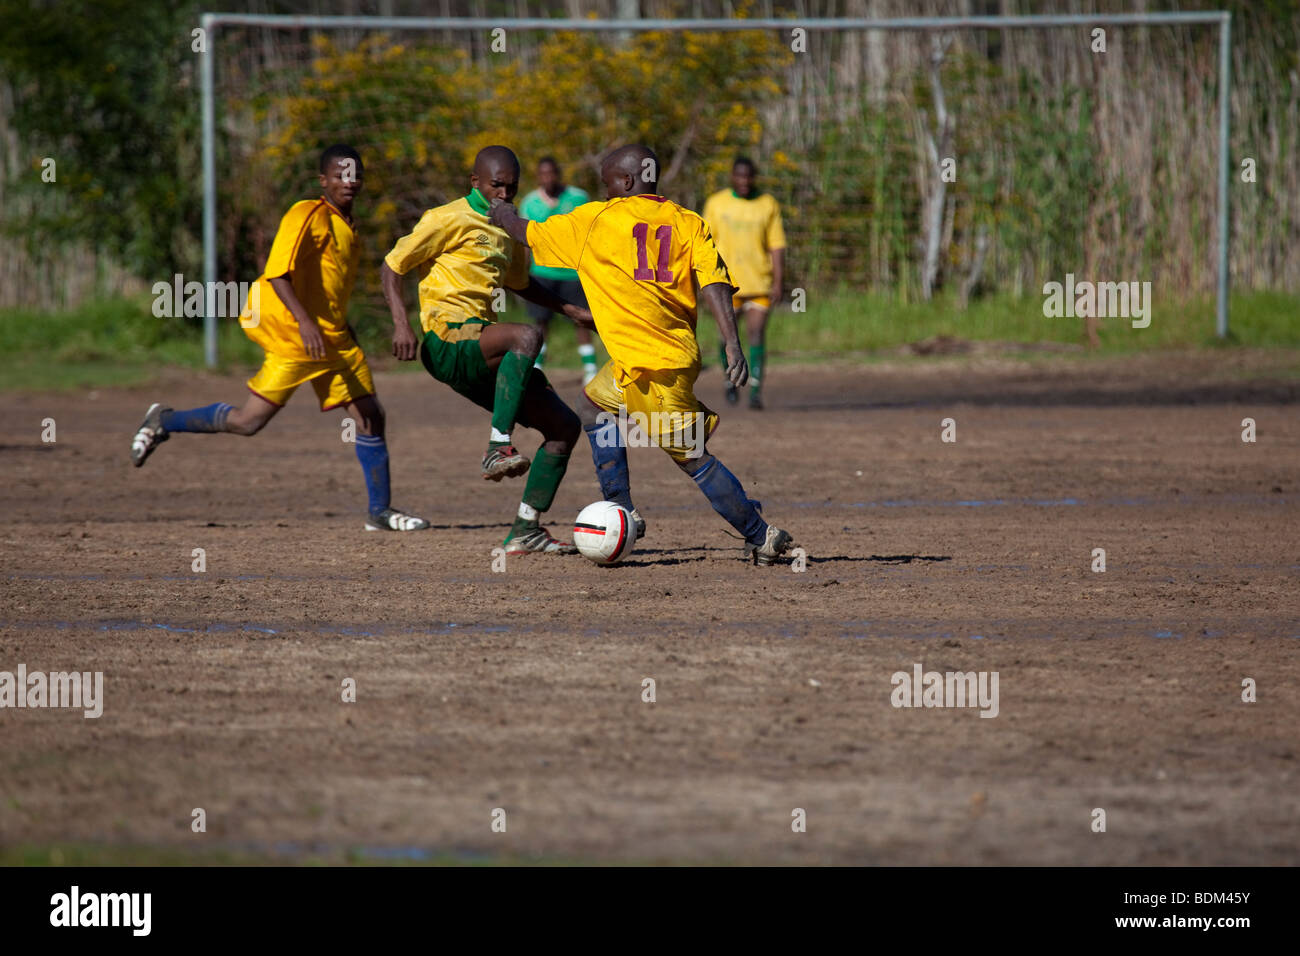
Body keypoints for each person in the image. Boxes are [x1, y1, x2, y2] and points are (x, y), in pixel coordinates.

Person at [490, 144, 796, 565]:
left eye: (610, 183)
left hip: (652, 370)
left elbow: (527, 232)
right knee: (592, 405)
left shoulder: (597, 219)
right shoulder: (689, 222)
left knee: (692, 458)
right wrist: (731, 341)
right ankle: (624, 509)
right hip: (670, 357)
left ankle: (760, 535)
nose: (607, 191)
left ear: (628, 181)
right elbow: (715, 284)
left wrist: (502, 213)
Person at [129, 144, 428, 532]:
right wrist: (305, 323)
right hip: (297, 338)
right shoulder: (306, 213)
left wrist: (343, 326)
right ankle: (164, 421)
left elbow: (329, 288)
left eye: (354, 174)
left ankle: (379, 512)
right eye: (339, 174)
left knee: (371, 416)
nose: (348, 181)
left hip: (335, 339)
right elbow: (277, 274)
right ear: (323, 181)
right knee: (248, 422)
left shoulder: (348, 225)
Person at [381, 145, 592, 555]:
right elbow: (392, 266)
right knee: (527, 336)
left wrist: (571, 311)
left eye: (511, 188)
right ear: (475, 181)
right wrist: (401, 323)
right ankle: (498, 446)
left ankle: (525, 530)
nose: (503, 195)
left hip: (481, 346)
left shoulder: (508, 226)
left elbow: (520, 283)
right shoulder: (446, 218)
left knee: (564, 427)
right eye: (496, 185)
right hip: (446, 338)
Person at [702, 156, 786, 409]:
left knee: (756, 334)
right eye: (739, 176)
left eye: (748, 176)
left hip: (759, 282)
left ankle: (756, 391)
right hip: (725, 283)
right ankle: (730, 381)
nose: (744, 181)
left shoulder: (767, 204)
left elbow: (776, 244)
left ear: (754, 177)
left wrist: (779, 281)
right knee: (726, 336)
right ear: (732, 177)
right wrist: (702, 282)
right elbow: (705, 244)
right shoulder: (717, 203)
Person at [518, 157, 600, 385]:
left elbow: (591, 234)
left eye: (551, 174)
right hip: (542, 272)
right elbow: (525, 240)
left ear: (558, 174)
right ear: (538, 177)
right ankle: (537, 367)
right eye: (543, 175)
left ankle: (591, 368)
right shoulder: (530, 202)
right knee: (540, 321)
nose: (548, 179)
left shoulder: (578, 197)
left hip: (572, 272)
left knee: (581, 319)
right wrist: (521, 273)